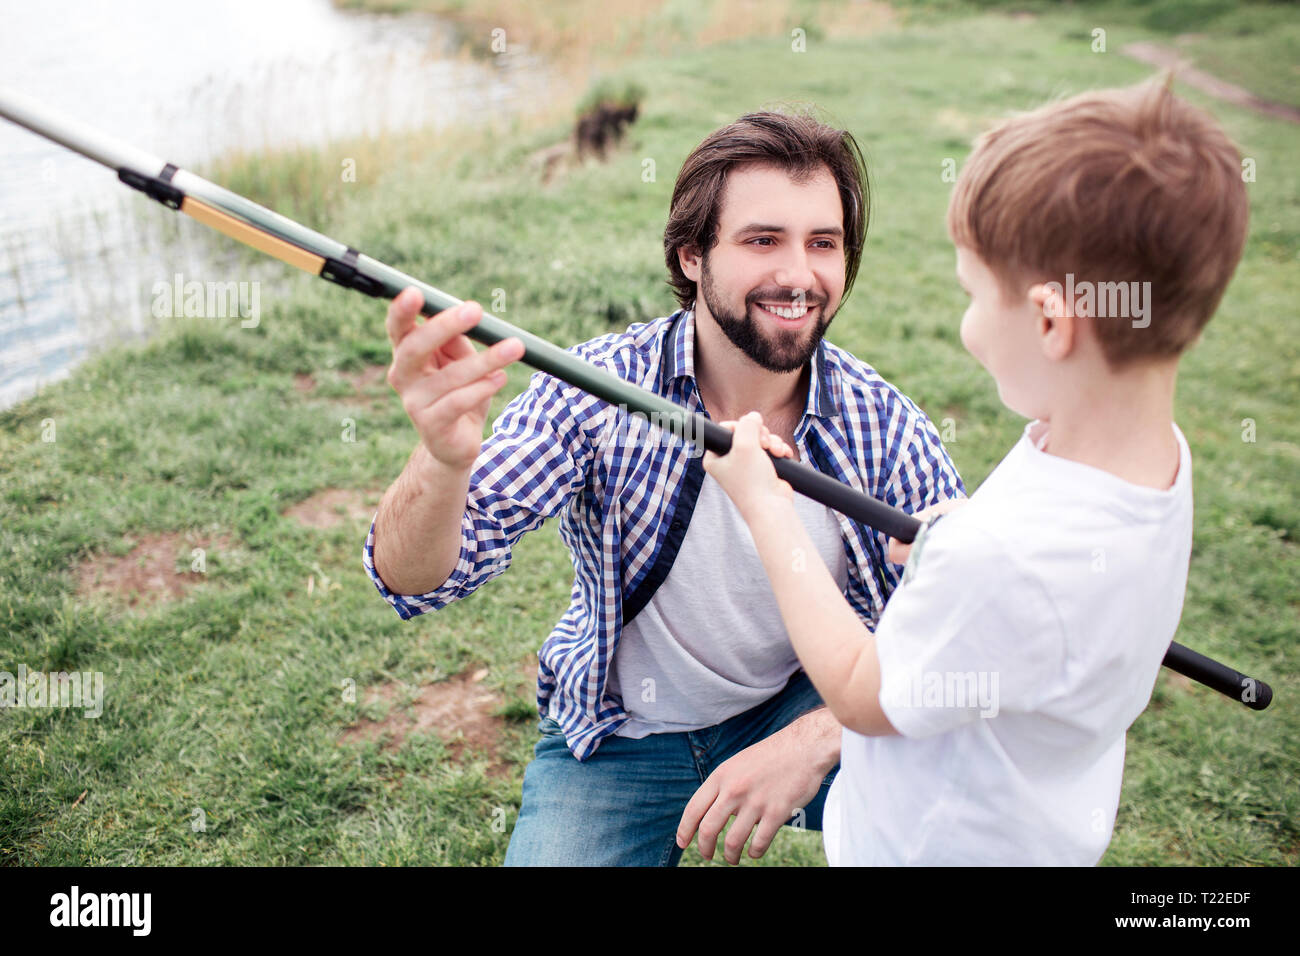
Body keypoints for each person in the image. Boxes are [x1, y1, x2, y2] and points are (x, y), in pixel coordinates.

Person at [364, 110, 963, 866]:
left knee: (959, 795)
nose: (799, 275)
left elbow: (955, 637)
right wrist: (442, 462)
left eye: (824, 243)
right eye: (761, 240)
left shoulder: (884, 423)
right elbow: (412, 580)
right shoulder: (598, 388)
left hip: (811, 702)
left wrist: (813, 742)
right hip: (624, 732)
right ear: (690, 257)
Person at [701, 77, 1250, 865]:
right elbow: (1033, 587)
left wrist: (764, 508)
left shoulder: (1002, 561)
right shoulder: (1149, 462)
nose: (967, 326)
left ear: (1052, 322)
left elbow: (859, 694)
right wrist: (962, 535)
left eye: (973, 295)